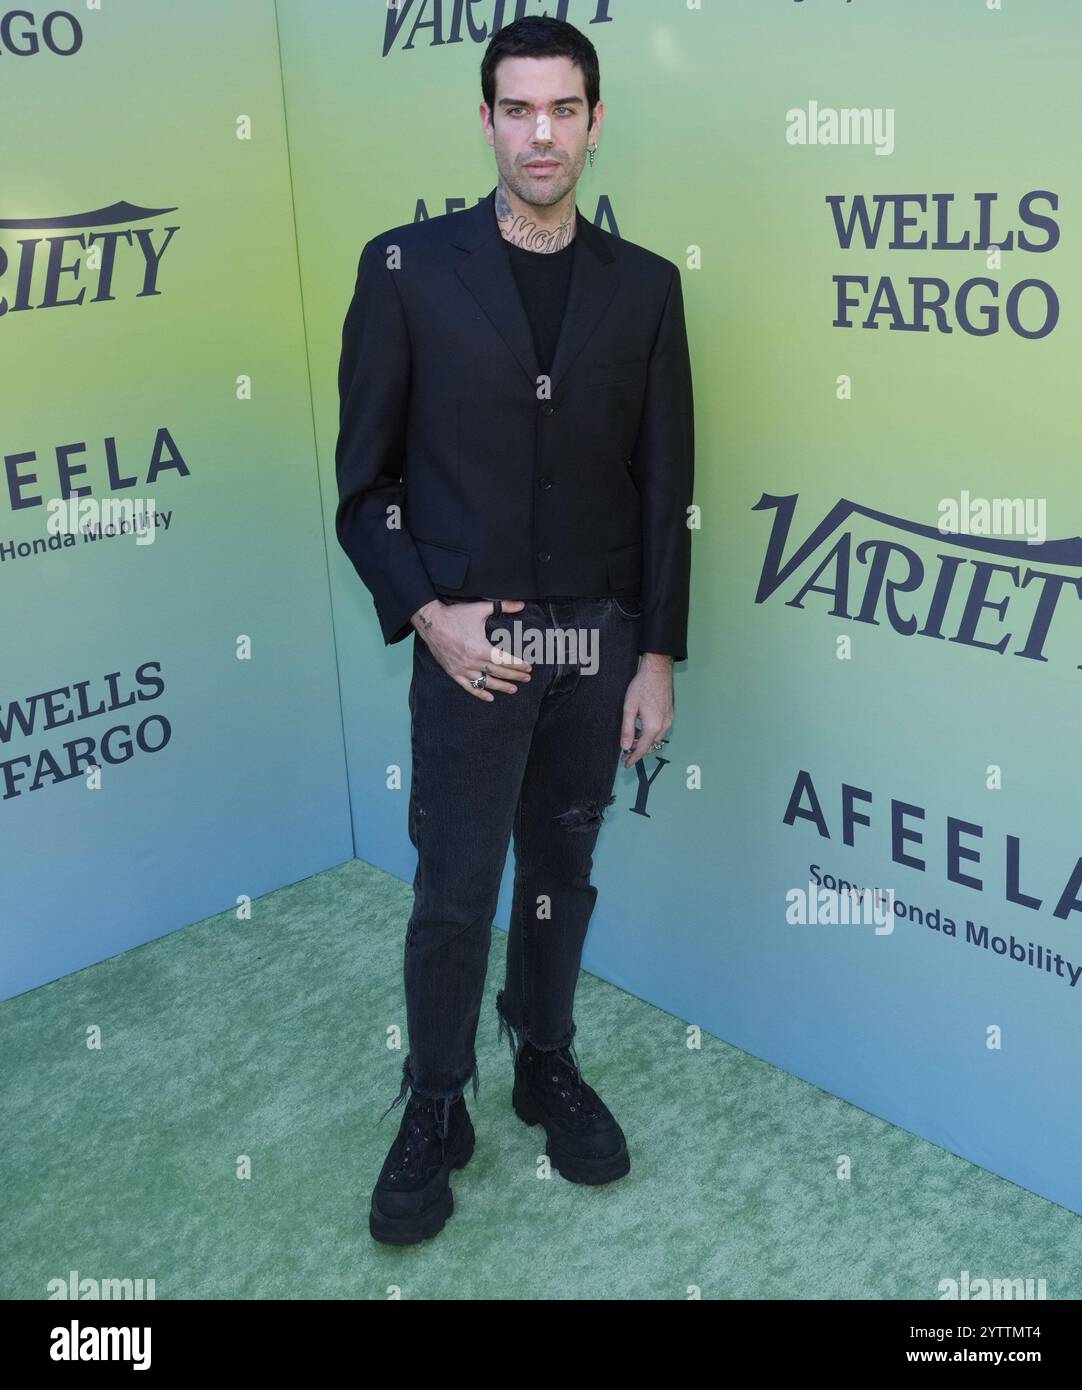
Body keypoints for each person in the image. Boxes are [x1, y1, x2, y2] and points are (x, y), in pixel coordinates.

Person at [334, 14, 694, 1245]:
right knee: (452, 887)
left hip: (593, 648)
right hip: (470, 651)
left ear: (593, 121)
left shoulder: (645, 288)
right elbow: (363, 489)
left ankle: (543, 1054)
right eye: (516, 109)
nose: (540, 133)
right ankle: (434, 1100)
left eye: (563, 110)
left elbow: (664, 487)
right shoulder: (403, 269)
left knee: (561, 870)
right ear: (484, 119)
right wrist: (430, 617)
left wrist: (652, 653)